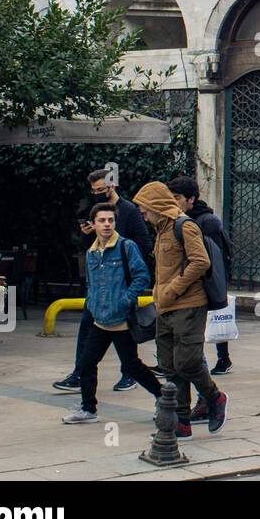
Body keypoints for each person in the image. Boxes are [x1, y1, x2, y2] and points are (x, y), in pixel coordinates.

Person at [132, 181, 227, 441]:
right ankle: (181, 421)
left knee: (187, 361)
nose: (142, 214)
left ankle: (214, 397)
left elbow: (200, 262)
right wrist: (158, 294)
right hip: (165, 307)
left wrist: (173, 289)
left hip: (188, 305)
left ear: (156, 205)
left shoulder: (183, 226)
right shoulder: (161, 229)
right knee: (170, 366)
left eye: (144, 209)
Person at [54, 168, 154, 394]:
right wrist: (88, 233)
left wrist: (128, 296)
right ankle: (79, 375)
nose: (98, 194)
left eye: (102, 189)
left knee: (126, 340)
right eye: (94, 190)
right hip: (99, 290)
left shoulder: (129, 211)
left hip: (121, 287)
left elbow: (144, 245)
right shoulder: (95, 211)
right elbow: (89, 249)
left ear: (112, 186)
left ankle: (130, 376)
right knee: (87, 331)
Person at [62, 202, 162, 423]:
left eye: (110, 220)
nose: (107, 225)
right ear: (94, 224)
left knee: (132, 366)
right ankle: (88, 409)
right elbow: (92, 282)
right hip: (99, 320)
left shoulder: (126, 247)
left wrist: (125, 300)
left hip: (121, 321)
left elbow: (142, 276)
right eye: (102, 221)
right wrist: (92, 303)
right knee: (87, 364)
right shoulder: (91, 252)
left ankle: (162, 397)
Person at [168, 177, 234, 377]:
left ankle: (221, 358)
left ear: (191, 199)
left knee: (211, 321)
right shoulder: (178, 220)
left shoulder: (207, 221)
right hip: (189, 280)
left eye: (177, 198)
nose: (174, 202)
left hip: (205, 280)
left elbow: (214, 256)